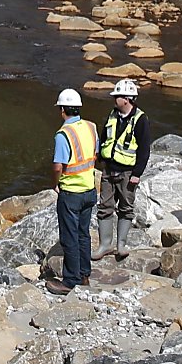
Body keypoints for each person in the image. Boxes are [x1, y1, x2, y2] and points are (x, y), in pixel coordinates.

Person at [95, 78, 152, 260]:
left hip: (128, 172)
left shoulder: (140, 120)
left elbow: (144, 149)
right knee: (105, 206)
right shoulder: (112, 115)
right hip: (109, 169)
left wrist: (137, 174)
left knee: (126, 208)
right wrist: (100, 156)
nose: (114, 99)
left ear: (126, 99)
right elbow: (104, 137)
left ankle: (121, 245)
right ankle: (105, 245)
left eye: (117, 96)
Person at [50, 87, 98, 294]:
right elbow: (95, 154)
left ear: (62, 110)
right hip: (89, 188)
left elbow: (58, 167)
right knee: (83, 235)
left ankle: (70, 281)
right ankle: (84, 275)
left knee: (69, 237)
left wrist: (56, 183)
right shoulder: (91, 127)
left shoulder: (63, 134)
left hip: (71, 192)